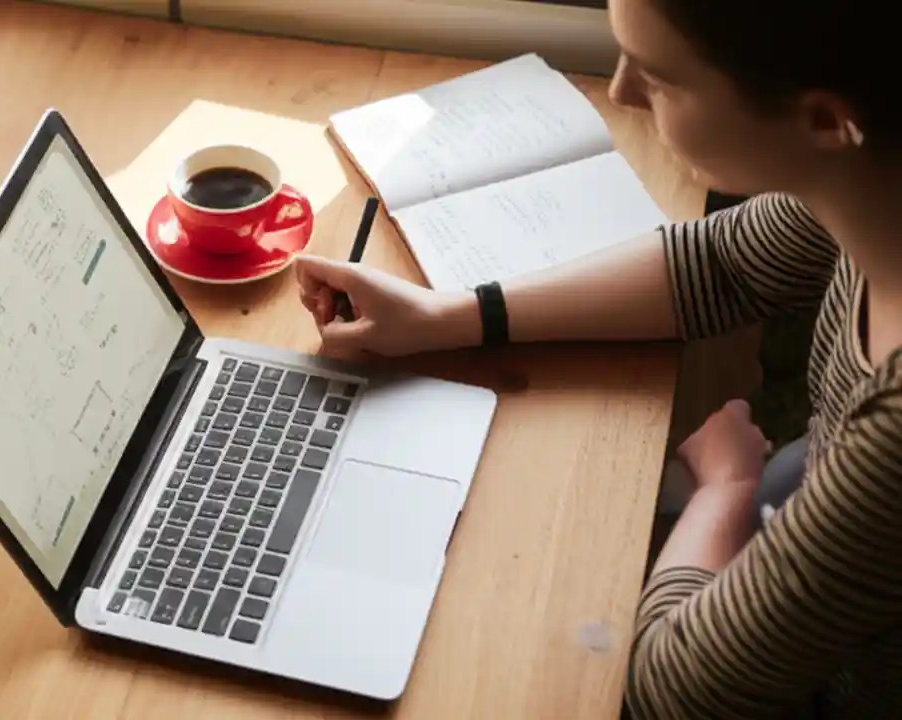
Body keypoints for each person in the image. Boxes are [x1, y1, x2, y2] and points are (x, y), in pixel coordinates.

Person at [292, 0, 902, 717]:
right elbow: (723, 267)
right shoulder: (870, 171)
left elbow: (675, 691)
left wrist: (726, 487)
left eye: (662, 80)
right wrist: (451, 314)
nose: (621, 92)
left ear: (826, 120)